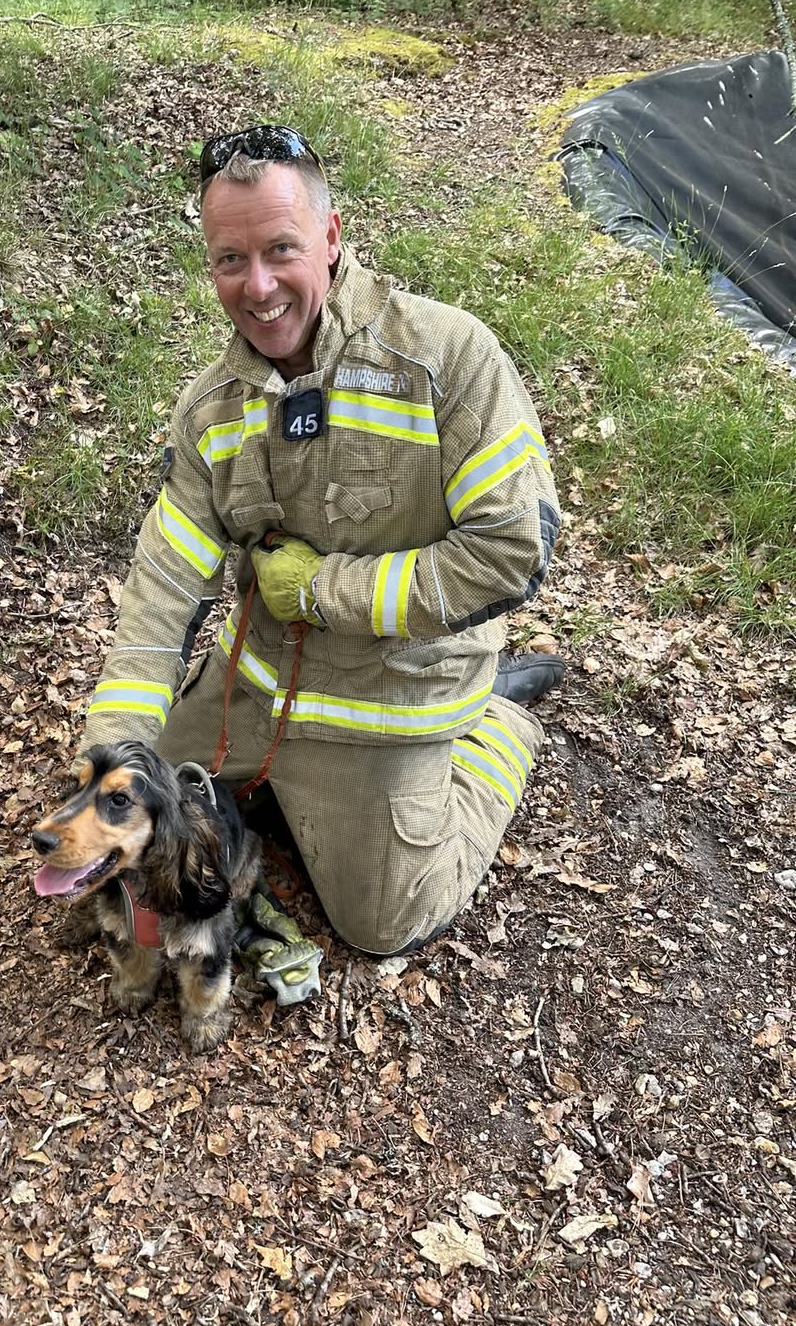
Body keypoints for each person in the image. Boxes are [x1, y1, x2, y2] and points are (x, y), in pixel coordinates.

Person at [79, 125, 563, 957]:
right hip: (253, 690)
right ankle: (270, 785)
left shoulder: (447, 359)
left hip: (391, 698)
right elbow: (162, 591)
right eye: (231, 260)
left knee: (383, 926)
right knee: (141, 824)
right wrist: (111, 753)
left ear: (332, 237)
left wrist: (320, 590)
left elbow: (511, 552)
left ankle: (497, 725)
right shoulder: (212, 410)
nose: (258, 286)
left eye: (281, 249)